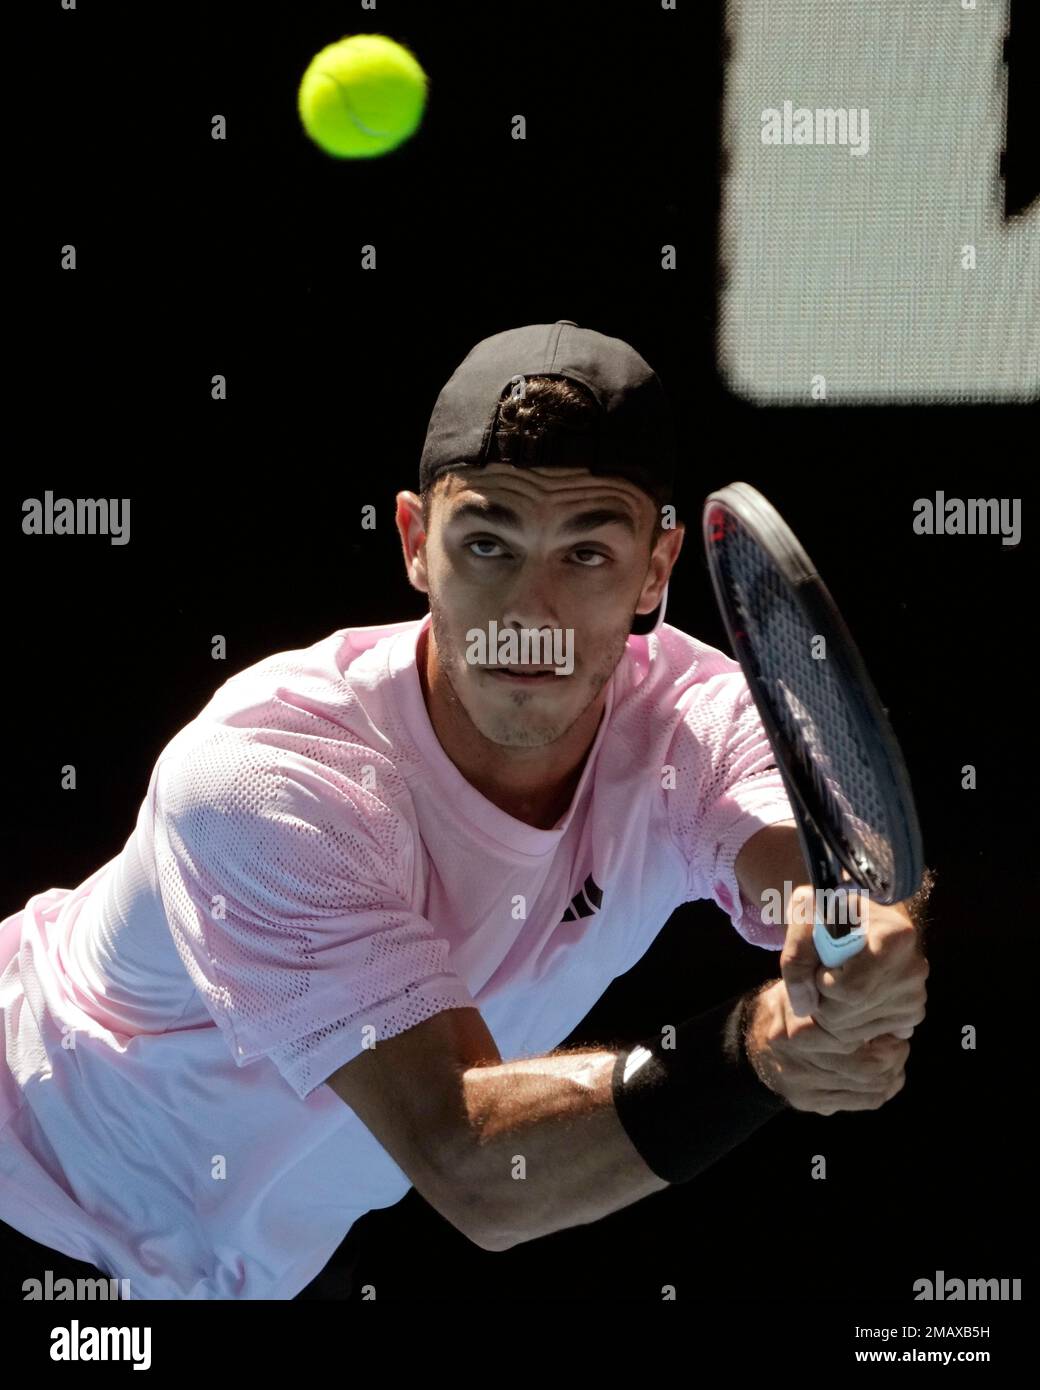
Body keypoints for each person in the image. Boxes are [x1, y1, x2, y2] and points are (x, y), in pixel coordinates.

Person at [0, 320, 928, 1298]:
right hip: (31, 1197)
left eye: (586, 554)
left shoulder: (694, 725)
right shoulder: (265, 783)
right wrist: (759, 1051)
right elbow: (475, 1164)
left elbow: (830, 877)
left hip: (261, 1260)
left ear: (655, 571)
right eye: (487, 542)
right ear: (414, 544)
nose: (529, 613)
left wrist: (854, 954)